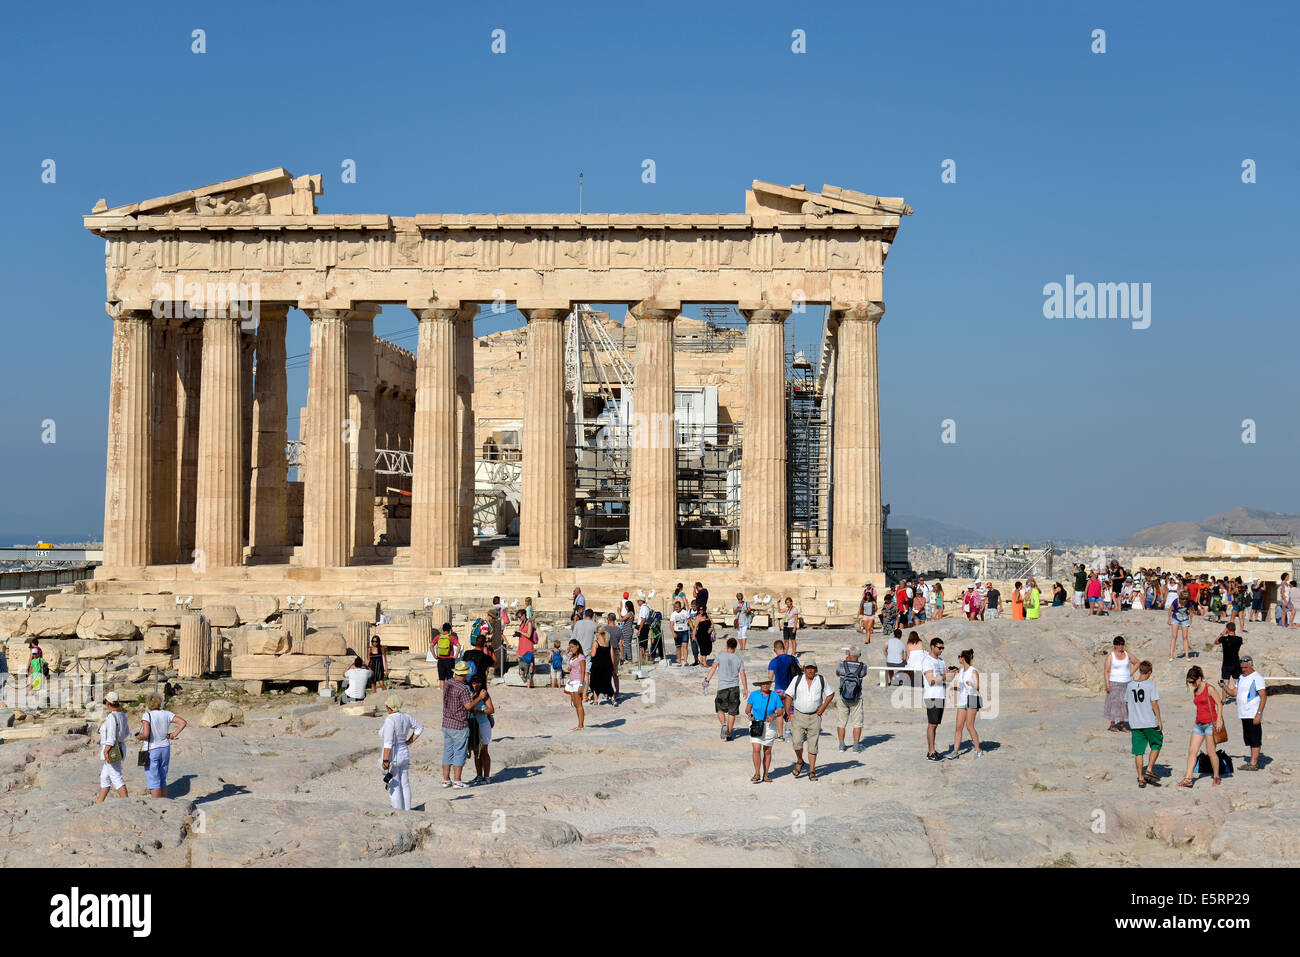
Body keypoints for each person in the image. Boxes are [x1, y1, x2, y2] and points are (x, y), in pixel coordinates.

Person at [783, 656, 834, 781]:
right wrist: (788, 712)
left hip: (815, 716)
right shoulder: (797, 679)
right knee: (796, 743)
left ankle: (812, 771)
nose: (810, 671)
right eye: (808, 668)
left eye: (813, 668)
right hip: (799, 715)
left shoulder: (821, 679)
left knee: (813, 744)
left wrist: (823, 707)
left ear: (816, 670)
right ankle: (800, 761)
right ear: (804, 669)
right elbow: (788, 695)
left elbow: (831, 693)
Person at [1177, 665, 1224, 788]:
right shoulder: (1195, 690)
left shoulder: (1209, 688)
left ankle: (1216, 777)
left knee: (1211, 752)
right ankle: (1188, 779)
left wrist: (1218, 721)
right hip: (1198, 724)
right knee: (1192, 751)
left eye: (1193, 681)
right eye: (1189, 682)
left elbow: (1219, 704)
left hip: (1210, 724)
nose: (1191, 684)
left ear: (1200, 678)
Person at [137, 692, 186, 798]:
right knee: (162, 777)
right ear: (159, 703)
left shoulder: (147, 715)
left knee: (153, 779)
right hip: (165, 747)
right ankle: (164, 802)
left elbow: (146, 734)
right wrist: (173, 734)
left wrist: (139, 737)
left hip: (152, 749)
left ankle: (157, 805)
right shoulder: (167, 713)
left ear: (149, 704)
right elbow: (183, 722)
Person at [380, 694, 423, 809]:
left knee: (394, 783)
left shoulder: (390, 719)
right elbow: (420, 728)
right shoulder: (406, 717)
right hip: (404, 750)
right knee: (405, 783)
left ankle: (398, 811)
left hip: (394, 754)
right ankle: (407, 809)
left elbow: (388, 742)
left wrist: (385, 760)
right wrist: (409, 741)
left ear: (390, 707)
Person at [441, 661, 479, 789]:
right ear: (463, 675)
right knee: (459, 752)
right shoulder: (462, 688)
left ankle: (446, 780)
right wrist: (479, 698)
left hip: (446, 723)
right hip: (459, 724)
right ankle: (457, 781)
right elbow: (468, 706)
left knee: (447, 751)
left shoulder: (447, 684)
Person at [1126, 660, 1163, 788]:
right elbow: (1154, 703)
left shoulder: (1130, 685)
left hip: (1135, 723)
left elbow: (1126, 703)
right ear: (1149, 672)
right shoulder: (1150, 685)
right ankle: (1149, 769)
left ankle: (1141, 779)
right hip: (1149, 722)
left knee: (1138, 752)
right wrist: (1159, 720)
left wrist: (1132, 716)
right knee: (1157, 742)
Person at [1226, 655, 1265, 770]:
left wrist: (1259, 714)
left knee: (1255, 738)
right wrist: (1224, 687)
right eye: (1242, 667)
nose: (1243, 669)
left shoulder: (1257, 677)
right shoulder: (1241, 677)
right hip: (1243, 713)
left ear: (1251, 665)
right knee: (1249, 739)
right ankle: (1252, 762)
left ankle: (1254, 764)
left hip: (1253, 713)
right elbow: (1234, 693)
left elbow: (1263, 697)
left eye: (1245, 667)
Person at [705, 637, 747, 741]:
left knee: (719, 708)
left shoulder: (720, 656)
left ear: (727, 646)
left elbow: (713, 668)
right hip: (734, 688)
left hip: (723, 687)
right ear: (735, 647)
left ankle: (724, 724)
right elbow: (742, 674)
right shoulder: (738, 659)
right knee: (732, 712)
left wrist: (707, 680)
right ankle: (729, 734)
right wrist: (745, 688)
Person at [922, 637, 954, 761]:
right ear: (932, 647)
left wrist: (952, 674)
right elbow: (931, 680)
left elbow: (945, 678)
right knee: (932, 724)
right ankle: (931, 752)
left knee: (935, 724)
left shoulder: (941, 661)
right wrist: (946, 675)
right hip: (932, 695)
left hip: (940, 694)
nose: (941, 650)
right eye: (939, 648)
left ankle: (932, 750)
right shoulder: (927, 661)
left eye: (942, 648)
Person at [746, 670, 781, 783]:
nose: (765, 685)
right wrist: (750, 715)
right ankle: (757, 773)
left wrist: (773, 715)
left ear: (770, 684)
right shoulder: (754, 695)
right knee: (756, 749)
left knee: (767, 751)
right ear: (760, 685)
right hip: (756, 724)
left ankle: (766, 774)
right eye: (763, 683)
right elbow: (747, 709)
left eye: (767, 683)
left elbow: (781, 710)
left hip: (770, 726)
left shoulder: (774, 695)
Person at [95, 690, 129, 803]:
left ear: (108, 703)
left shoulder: (111, 717)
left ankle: (127, 804)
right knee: (104, 777)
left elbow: (111, 737)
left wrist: (106, 751)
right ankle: (99, 803)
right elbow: (126, 733)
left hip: (112, 749)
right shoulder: (122, 715)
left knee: (116, 777)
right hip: (119, 747)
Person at [834, 645, 868, 752]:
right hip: (856, 696)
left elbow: (837, 673)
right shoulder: (862, 667)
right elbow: (863, 675)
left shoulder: (842, 665)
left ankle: (841, 745)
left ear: (849, 654)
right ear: (859, 655)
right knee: (857, 722)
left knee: (841, 721)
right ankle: (856, 745)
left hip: (843, 695)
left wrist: (846, 660)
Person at [952, 649, 982, 759]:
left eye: (959, 656)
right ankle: (955, 752)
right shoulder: (961, 671)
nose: (959, 658)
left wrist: (971, 684)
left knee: (969, 726)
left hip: (972, 699)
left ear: (963, 658)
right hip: (962, 700)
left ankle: (978, 750)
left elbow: (977, 687)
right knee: (958, 727)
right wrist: (953, 689)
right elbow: (960, 685)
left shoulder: (973, 671)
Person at [468, 674, 495, 784]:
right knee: (475, 751)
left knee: (484, 751)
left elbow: (491, 710)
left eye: (478, 683)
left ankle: (487, 776)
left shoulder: (485, 695)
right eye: (474, 683)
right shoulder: (471, 694)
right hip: (473, 725)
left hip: (483, 724)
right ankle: (479, 775)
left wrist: (479, 712)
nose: (476, 685)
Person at [768, 639, 797, 738]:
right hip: (791, 690)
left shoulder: (773, 661)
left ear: (775, 649)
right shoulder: (792, 659)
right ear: (784, 648)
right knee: (791, 712)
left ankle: (780, 735)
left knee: (779, 712)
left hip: (779, 689)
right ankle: (795, 734)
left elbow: (770, 678)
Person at [1104, 636, 1132, 733]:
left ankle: (1123, 725)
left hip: (1126, 682)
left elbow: (1137, 662)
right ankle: (1112, 725)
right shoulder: (1111, 656)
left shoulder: (1127, 654)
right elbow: (1106, 671)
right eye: (1118, 644)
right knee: (1114, 704)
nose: (1120, 646)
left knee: (1124, 704)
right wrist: (1107, 684)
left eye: (1122, 644)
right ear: (1115, 645)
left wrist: (1130, 673)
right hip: (1114, 683)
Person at [588, 625, 618, 705]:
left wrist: (589, 653)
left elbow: (593, 654)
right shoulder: (608, 643)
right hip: (607, 666)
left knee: (594, 682)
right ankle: (613, 700)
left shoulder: (596, 642)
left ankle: (595, 700)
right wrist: (612, 666)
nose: (595, 634)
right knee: (607, 683)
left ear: (598, 633)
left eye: (595, 632)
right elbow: (612, 656)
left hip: (597, 666)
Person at [565, 639, 587, 730]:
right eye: (570, 647)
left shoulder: (581, 657)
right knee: (575, 704)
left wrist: (581, 685)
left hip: (578, 682)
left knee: (579, 704)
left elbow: (583, 672)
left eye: (572, 647)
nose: (571, 649)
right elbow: (570, 667)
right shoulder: (573, 657)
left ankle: (581, 725)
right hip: (572, 682)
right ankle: (580, 723)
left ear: (577, 646)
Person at [430, 622, 460, 689]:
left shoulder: (438, 637)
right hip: (450, 660)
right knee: (450, 679)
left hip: (441, 660)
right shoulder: (452, 637)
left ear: (443, 629)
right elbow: (458, 646)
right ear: (450, 630)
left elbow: (431, 646)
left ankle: (442, 696)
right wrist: (456, 656)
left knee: (442, 680)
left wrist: (434, 656)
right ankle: (449, 696)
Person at [1214, 622, 1243, 688]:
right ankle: (1239, 697)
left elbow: (1215, 642)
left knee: (1225, 684)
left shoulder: (1224, 639)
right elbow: (1234, 638)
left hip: (1226, 663)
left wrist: (1222, 633)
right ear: (1235, 629)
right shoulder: (1239, 639)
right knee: (1237, 683)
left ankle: (1224, 698)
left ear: (1227, 629)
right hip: (1236, 663)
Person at [513, 609, 538, 687]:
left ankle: (529, 683)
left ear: (524, 615)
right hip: (522, 644)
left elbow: (528, 635)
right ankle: (527, 680)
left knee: (530, 663)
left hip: (527, 645)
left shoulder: (529, 622)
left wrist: (520, 632)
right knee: (523, 665)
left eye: (520, 617)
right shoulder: (522, 623)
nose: (519, 619)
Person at [1168, 588, 1191, 661]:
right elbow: (1170, 610)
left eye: (1186, 599)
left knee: (1185, 637)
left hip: (1185, 619)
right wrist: (1169, 619)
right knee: (1174, 636)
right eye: (1183, 599)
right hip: (1175, 618)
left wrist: (1191, 620)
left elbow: (1191, 611)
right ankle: (1171, 655)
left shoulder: (1189, 603)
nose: (1184, 601)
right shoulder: (1175, 601)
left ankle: (1187, 655)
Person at [670, 599, 690, 666]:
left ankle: (685, 661)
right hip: (677, 632)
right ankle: (679, 661)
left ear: (680, 607)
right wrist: (673, 633)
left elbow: (689, 621)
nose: (676, 609)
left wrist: (693, 629)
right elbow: (671, 624)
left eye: (678, 608)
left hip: (685, 631)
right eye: (675, 608)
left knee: (685, 646)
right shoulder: (673, 614)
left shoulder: (685, 612)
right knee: (678, 647)